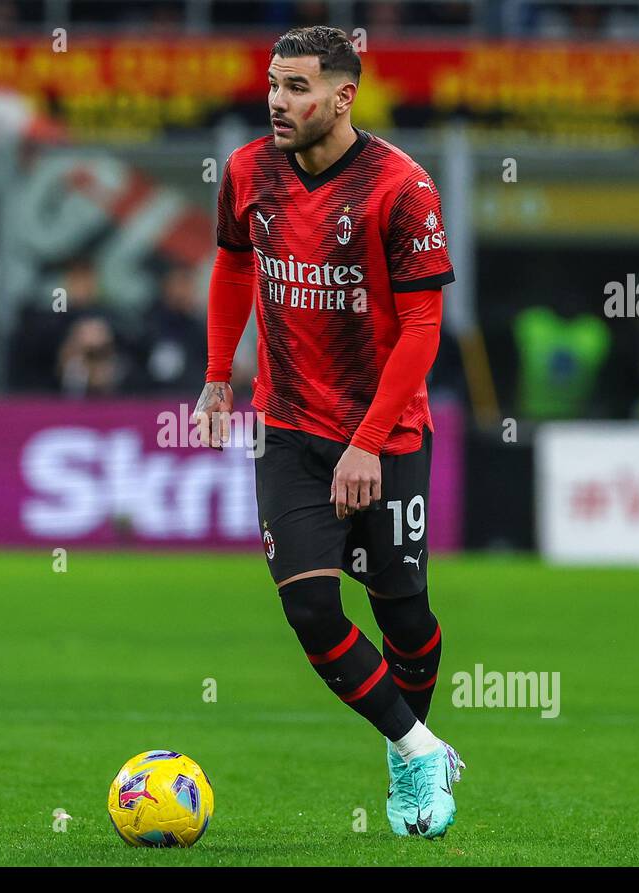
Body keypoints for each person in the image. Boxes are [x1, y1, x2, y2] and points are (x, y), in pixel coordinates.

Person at [193, 26, 463, 838]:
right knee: (311, 609)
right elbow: (235, 264)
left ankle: (404, 744)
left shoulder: (400, 189)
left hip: (386, 436)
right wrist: (216, 375)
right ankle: (418, 751)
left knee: (405, 619)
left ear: (343, 97)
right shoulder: (246, 172)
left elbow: (423, 328)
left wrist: (369, 441)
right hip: (288, 428)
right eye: (274, 84)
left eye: (298, 87)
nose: (278, 101)